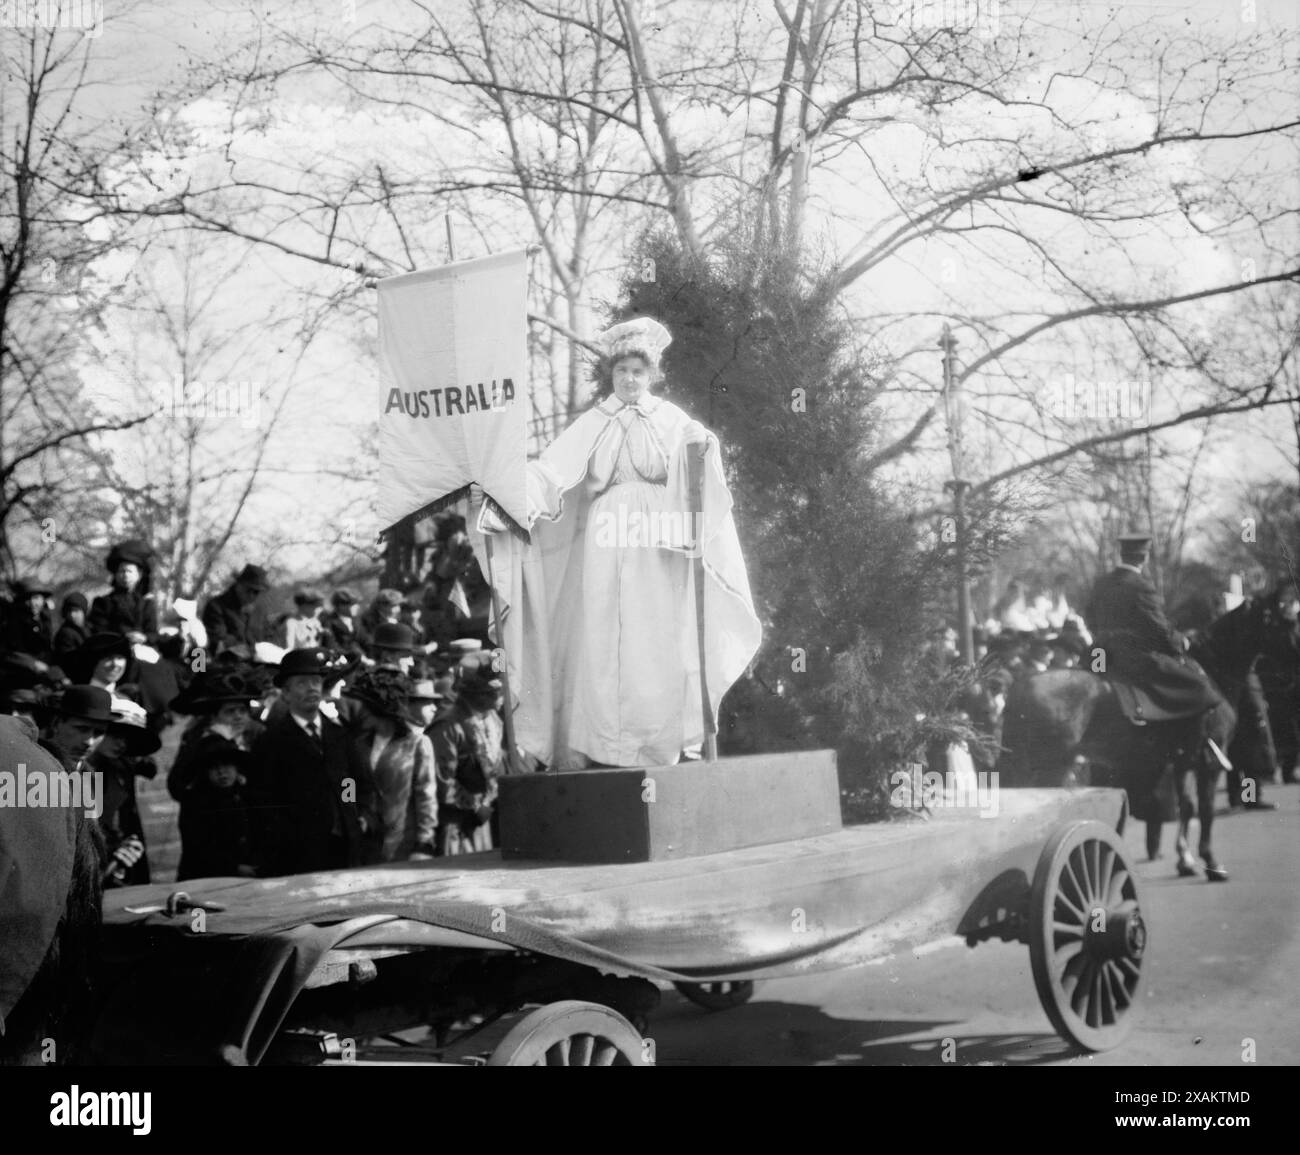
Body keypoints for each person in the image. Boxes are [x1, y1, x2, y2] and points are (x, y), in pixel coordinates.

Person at [479, 316, 761, 769]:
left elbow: (697, 463)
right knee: (604, 629)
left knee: (655, 631)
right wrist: (510, 494)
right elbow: (551, 471)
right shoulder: (594, 422)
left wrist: (701, 449)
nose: (629, 379)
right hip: (606, 534)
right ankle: (606, 745)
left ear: (652, 376)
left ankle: (660, 743)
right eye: (621, 371)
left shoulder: (672, 420)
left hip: (658, 536)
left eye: (638, 371)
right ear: (611, 375)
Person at [246, 648, 377, 876]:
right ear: (285, 693)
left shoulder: (340, 734)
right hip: (298, 855)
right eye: (302, 683)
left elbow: (354, 781)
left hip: (345, 849)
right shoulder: (271, 742)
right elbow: (263, 803)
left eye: (316, 681)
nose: (312, 688)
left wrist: (357, 813)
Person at [1084, 532, 1224, 717]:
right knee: (1202, 690)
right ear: (1145, 556)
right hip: (1131, 658)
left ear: (1122, 554)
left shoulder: (1101, 583)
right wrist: (1181, 642)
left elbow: (1089, 618)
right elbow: (1158, 630)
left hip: (1098, 656)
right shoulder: (1140, 586)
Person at [344, 668, 438, 863]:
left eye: (364, 707)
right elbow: (349, 781)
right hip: (366, 846)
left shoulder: (417, 743)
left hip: (404, 845)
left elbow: (426, 796)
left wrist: (424, 843)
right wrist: (354, 811)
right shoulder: (357, 741)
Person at [431, 666, 507, 855]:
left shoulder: (492, 719)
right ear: (477, 695)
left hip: (485, 819)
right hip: (456, 824)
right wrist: (475, 807)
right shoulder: (448, 725)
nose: (501, 697)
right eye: (495, 693)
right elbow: (442, 779)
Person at [84, 696, 159, 888]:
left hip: (117, 861)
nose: (122, 744)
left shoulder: (120, 771)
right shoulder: (75, 771)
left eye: (127, 740)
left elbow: (127, 819)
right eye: (116, 735)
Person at [176, 746, 258, 881]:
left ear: (236, 768)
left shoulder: (246, 795)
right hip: (208, 877)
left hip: (248, 873)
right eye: (214, 768)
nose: (221, 772)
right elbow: (197, 848)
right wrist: (234, 868)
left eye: (226, 765)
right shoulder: (195, 802)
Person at [88, 539, 158, 642]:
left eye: (129, 571)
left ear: (139, 575)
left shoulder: (146, 604)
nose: (125, 575)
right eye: (122, 571)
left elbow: (153, 634)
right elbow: (99, 633)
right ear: (115, 575)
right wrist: (124, 636)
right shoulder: (103, 603)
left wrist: (144, 638)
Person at [202, 564, 271, 655]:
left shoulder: (259, 612)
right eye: (249, 590)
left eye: (256, 592)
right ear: (238, 585)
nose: (251, 595)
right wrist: (251, 651)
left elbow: (268, 637)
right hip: (224, 665)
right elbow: (218, 643)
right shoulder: (216, 606)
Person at [52, 593, 90, 659]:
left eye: (76, 611)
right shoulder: (66, 634)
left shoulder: (87, 628)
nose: (72, 615)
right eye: (69, 611)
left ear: (84, 612)